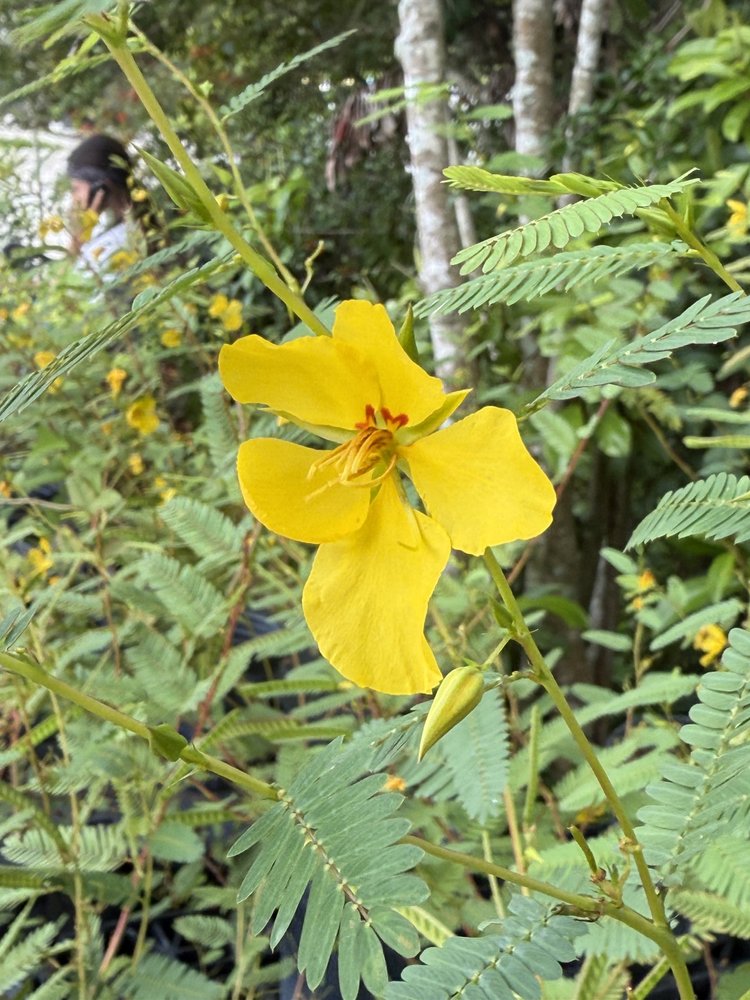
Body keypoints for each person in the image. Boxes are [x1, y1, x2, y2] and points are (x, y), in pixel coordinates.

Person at [66, 133, 143, 275]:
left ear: (100, 188)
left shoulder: (116, 243)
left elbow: (66, 282)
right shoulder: (133, 224)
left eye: (76, 189)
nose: (73, 198)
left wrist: (78, 237)